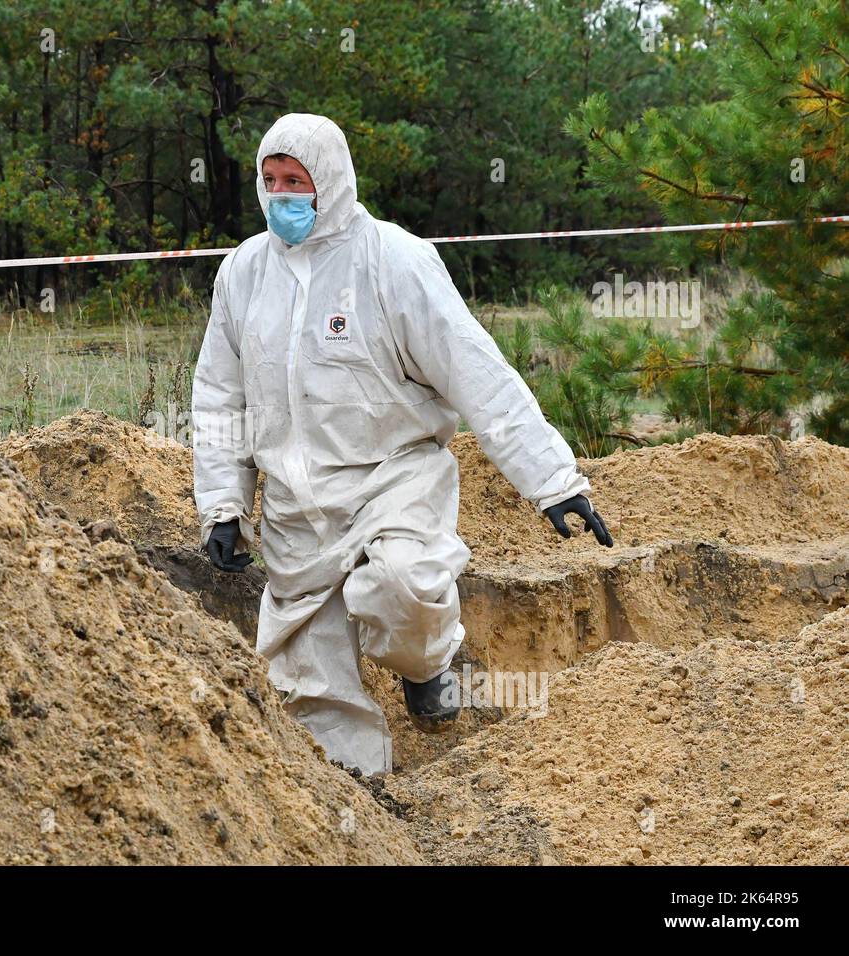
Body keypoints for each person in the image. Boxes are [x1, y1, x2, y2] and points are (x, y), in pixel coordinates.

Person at [190, 112, 613, 777]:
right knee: (311, 688)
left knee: (406, 586)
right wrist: (222, 501)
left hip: (394, 481)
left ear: (328, 179)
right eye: (269, 181)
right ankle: (362, 809)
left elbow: (474, 370)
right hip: (296, 514)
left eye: (295, 180)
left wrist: (553, 480)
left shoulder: (394, 259)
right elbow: (220, 394)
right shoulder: (243, 273)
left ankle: (427, 664)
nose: (281, 196)